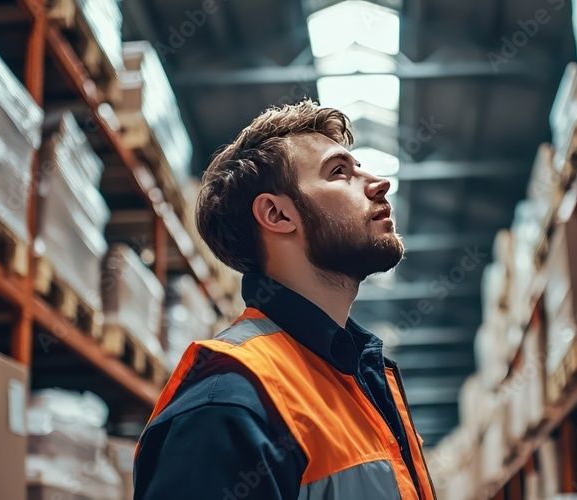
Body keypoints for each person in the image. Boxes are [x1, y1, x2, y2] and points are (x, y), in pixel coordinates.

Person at [133, 100, 435, 499]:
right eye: (340, 172)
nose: (379, 183)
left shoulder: (357, 378)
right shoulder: (229, 400)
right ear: (277, 215)